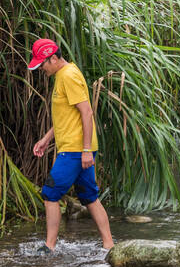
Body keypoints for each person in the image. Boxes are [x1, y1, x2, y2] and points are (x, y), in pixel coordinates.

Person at [28, 38, 115, 251]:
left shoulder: (69, 76)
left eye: (43, 65)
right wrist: (47, 139)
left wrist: (86, 150)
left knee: (50, 194)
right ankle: (109, 246)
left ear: (54, 58)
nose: (42, 70)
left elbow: (86, 112)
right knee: (89, 197)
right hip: (76, 148)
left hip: (75, 150)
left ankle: (49, 247)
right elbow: (67, 116)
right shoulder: (61, 75)